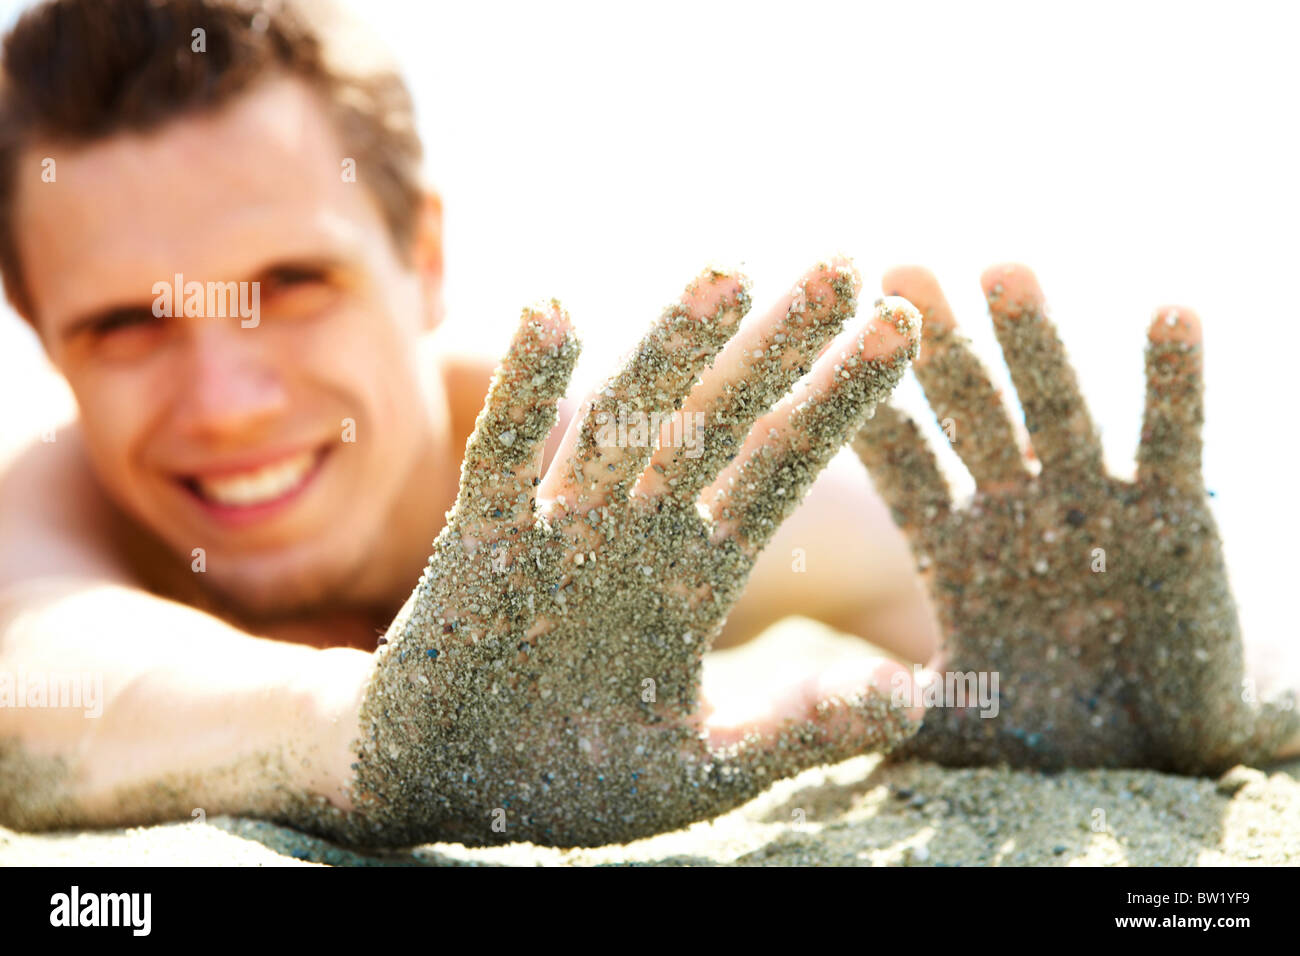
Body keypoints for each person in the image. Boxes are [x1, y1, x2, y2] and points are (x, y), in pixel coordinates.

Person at [0, 0, 1292, 846]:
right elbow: (56, 681)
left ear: (425, 255)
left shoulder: (615, 508)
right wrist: (369, 733)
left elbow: (972, 623)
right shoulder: (43, 511)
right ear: (36, 324)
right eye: (126, 326)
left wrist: (1110, 700)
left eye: (293, 285)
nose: (228, 401)